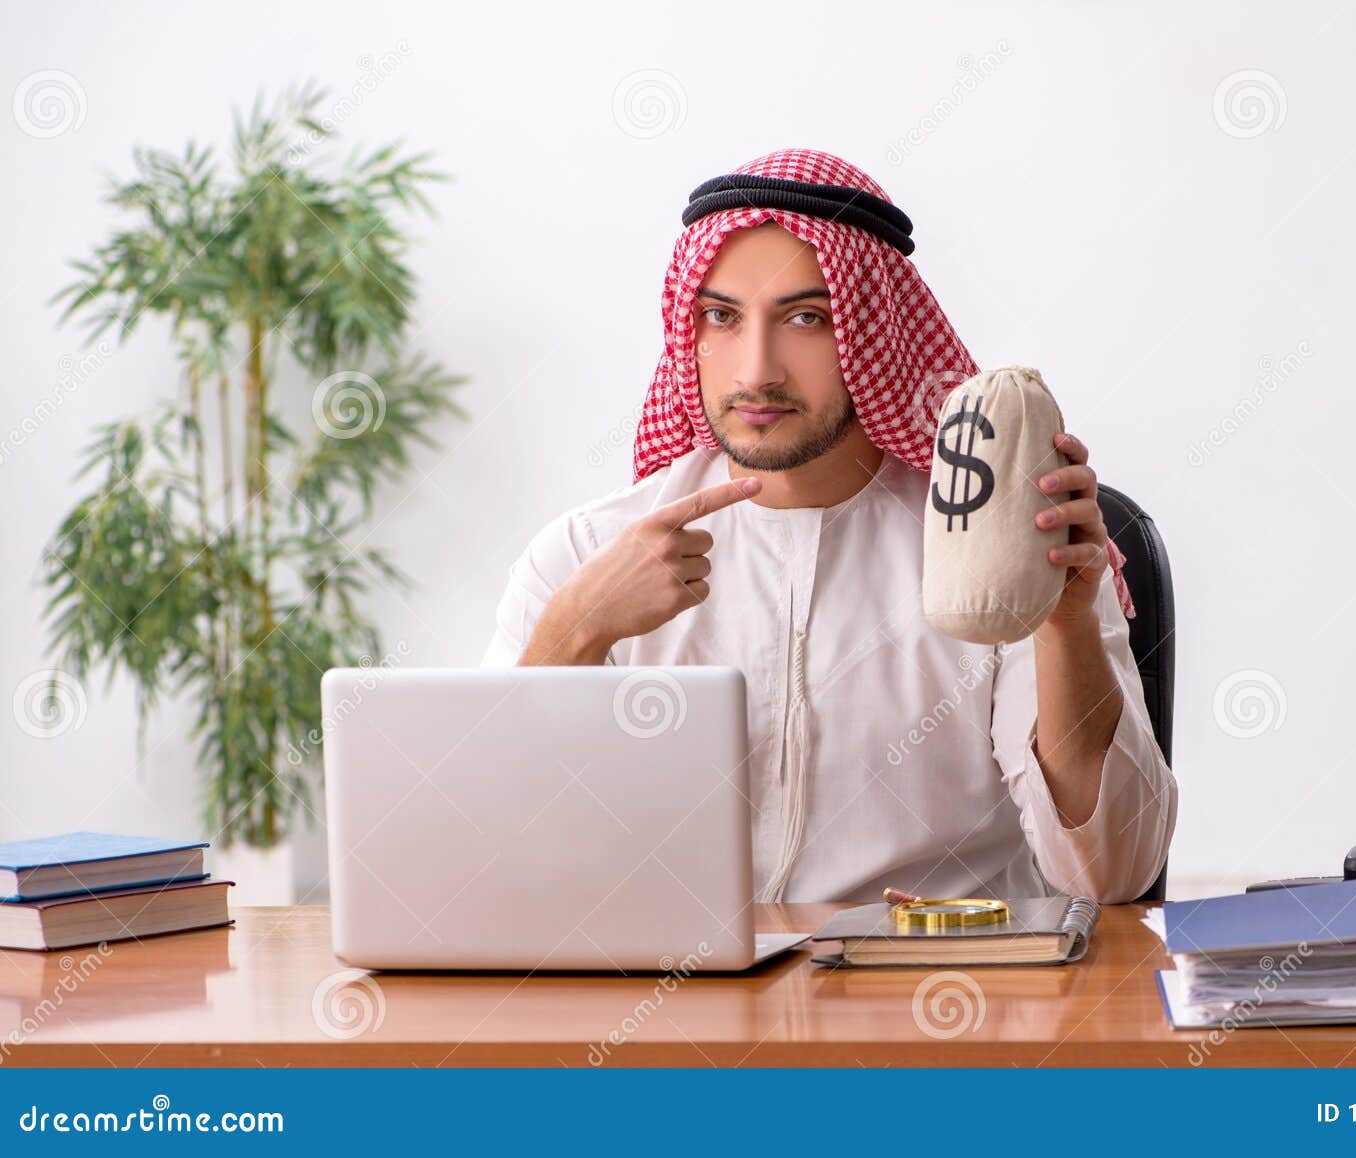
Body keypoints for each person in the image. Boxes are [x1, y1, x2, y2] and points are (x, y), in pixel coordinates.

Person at [481, 149, 1176, 904]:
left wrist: (1063, 626)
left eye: (805, 318)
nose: (756, 371)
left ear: (871, 327)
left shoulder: (999, 542)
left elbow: (1111, 876)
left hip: (940, 999)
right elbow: (485, 863)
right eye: (721, 317)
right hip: (670, 1010)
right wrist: (574, 632)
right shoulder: (583, 556)